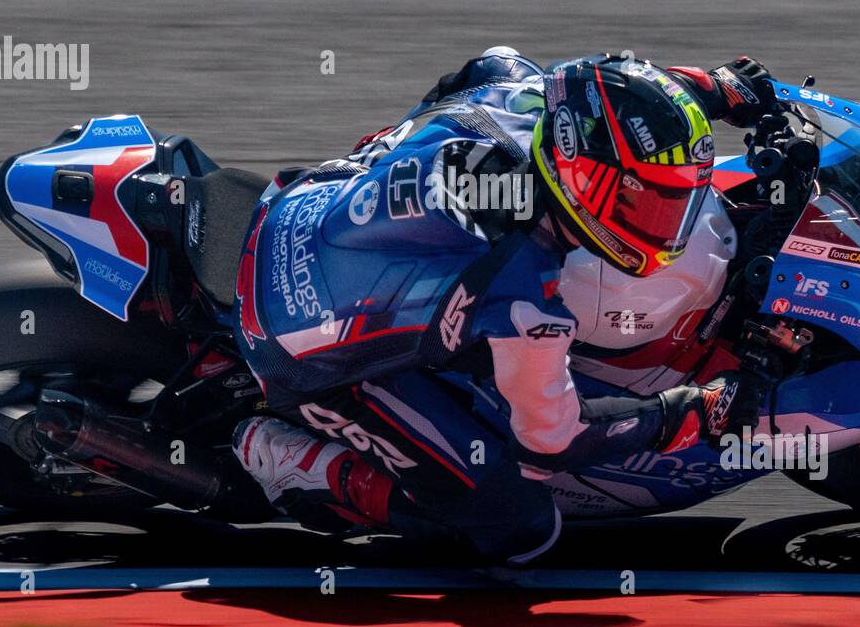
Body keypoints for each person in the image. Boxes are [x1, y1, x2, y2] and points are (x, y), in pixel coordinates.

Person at [230, 48, 780, 563]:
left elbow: (592, 86)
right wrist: (686, 412)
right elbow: (551, 442)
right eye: (649, 201)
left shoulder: (523, 91)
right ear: (583, 176)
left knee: (493, 73)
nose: (670, 225)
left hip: (301, 199)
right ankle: (303, 468)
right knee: (518, 526)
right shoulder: (523, 292)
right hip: (291, 345)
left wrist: (713, 89)